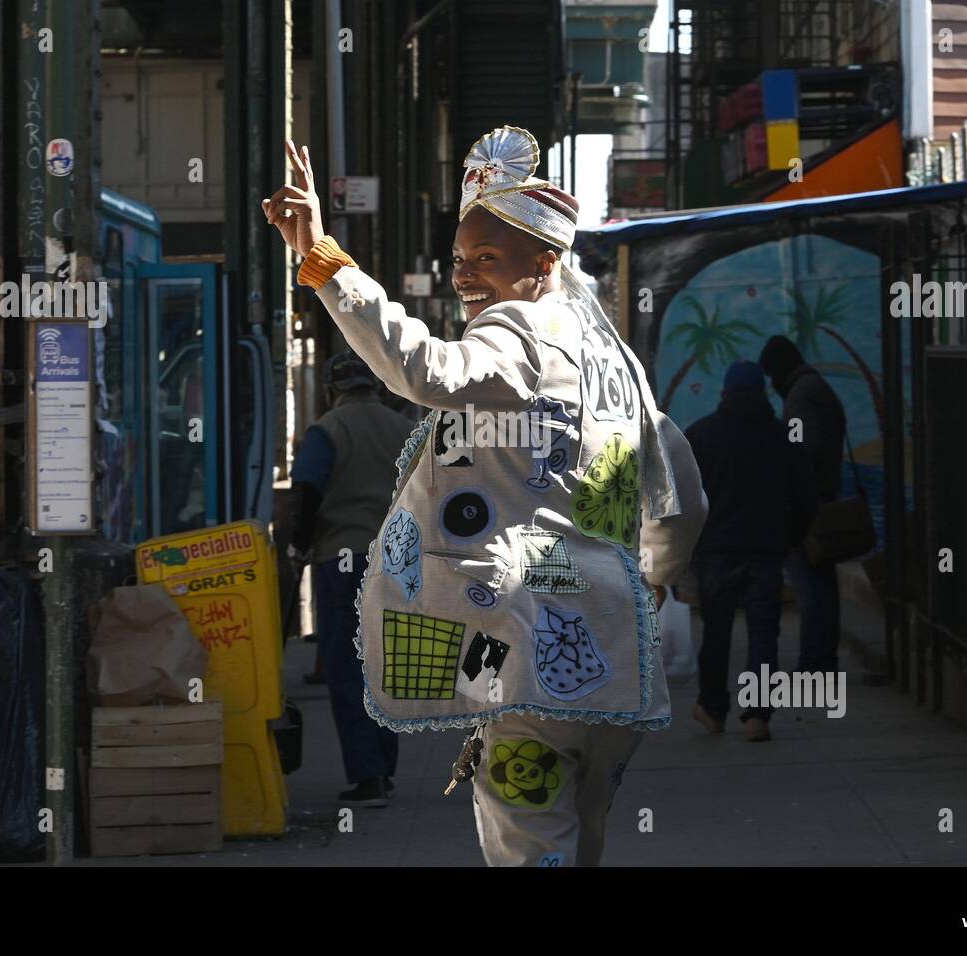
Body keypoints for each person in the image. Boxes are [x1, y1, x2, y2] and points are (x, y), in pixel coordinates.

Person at [265, 126, 706, 866]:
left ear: (546, 263)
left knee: (530, 848)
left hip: (525, 651)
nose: (467, 277)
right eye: (461, 261)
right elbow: (681, 495)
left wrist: (322, 259)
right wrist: (655, 581)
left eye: (488, 260)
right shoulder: (613, 363)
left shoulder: (518, 331)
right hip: (616, 654)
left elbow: (423, 368)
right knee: (577, 840)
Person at [288, 349, 416, 807]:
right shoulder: (405, 429)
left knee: (348, 665)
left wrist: (297, 545)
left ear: (330, 390)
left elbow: (305, 489)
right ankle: (385, 765)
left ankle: (369, 777)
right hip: (400, 561)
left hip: (344, 559)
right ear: (376, 383)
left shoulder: (327, 430)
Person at [683, 361, 816, 742]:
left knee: (716, 633)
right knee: (763, 634)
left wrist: (688, 544)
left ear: (725, 393)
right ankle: (757, 716)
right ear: (763, 393)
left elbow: (683, 498)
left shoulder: (701, 436)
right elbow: (805, 498)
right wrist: (792, 537)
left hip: (716, 553)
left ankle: (712, 708)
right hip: (766, 552)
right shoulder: (783, 437)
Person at [758, 335, 846, 674]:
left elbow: (800, 452)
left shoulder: (802, 395)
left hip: (809, 507)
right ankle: (822, 658)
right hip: (821, 497)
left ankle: (814, 661)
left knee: (811, 586)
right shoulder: (814, 387)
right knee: (821, 585)